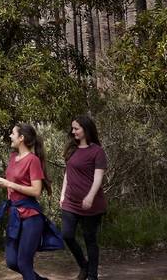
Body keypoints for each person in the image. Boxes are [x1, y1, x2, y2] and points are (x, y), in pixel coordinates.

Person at [0, 123, 52, 280]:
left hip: (31, 217)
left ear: (21, 138)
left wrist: (9, 184)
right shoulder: (13, 157)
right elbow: (12, 182)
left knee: (24, 263)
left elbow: (36, 191)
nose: (10, 136)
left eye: (13, 133)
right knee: (12, 262)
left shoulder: (33, 161)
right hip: (14, 215)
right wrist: (1, 182)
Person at [60, 115, 108, 280]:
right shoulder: (72, 149)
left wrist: (90, 197)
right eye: (72, 128)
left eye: (76, 128)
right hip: (70, 203)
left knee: (90, 240)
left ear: (86, 130)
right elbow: (68, 173)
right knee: (67, 235)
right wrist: (62, 194)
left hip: (91, 205)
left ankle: (92, 276)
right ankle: (84, 266)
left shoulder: (97, 151)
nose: (73, 132)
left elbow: (98, 178)